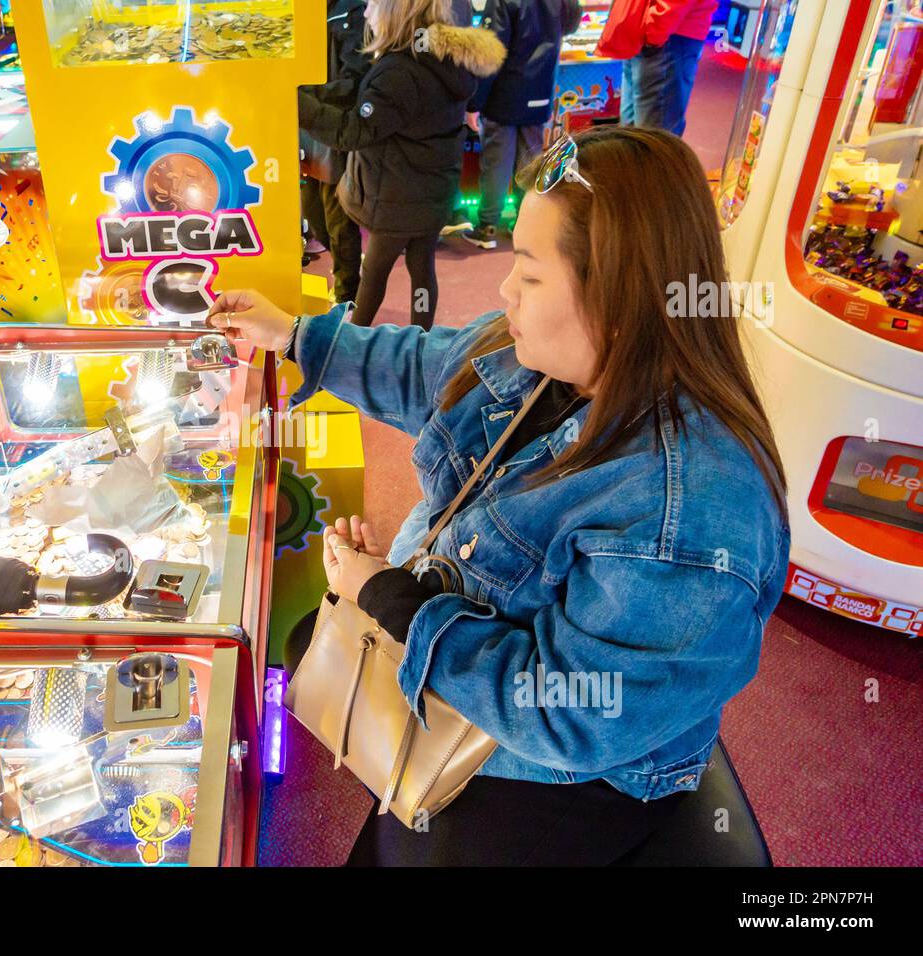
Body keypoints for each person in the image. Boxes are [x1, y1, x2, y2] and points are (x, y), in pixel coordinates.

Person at [206, 127, 790, 865]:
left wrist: (390, 600)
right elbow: (427, 369)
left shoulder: (692, 514)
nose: (504, 291)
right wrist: (294, 336)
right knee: (308, 654)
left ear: (616, 294)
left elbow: (566, 711)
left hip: (568, 773)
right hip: (464, 662)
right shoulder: (542, 356)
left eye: (529, 274)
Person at [300, 0, 505, 330]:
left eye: (373, 7)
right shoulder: (443, 57)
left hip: (398, 193)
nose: (366, 13)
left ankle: (353, 338)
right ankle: (421, 334)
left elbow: (353, 131)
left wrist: (299, 105)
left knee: (374, 273)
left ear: (395, 13)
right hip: (434, 186)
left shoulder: (399, 71)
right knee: (421, 266)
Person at [460, 0, 583, 249]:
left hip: (504, 92)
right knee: (532, 160)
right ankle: (526, 221)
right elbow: (572, 23)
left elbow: (491, 52)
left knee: (497, 162)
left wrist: (474, 102)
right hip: (541, 87)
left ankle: (488, 227)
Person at [299, 0, 369, 303]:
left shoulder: (352, 11)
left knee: (339, 224)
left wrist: (303, 93)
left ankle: (348, 297)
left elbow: (355, 80)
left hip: (334, 128)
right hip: (306, 128)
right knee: (316, 219)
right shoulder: (301, 11)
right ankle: (350, 287)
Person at [597, 0, 717, 137]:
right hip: (659, 31)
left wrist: (655, 32)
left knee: (648, 133)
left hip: (661, 31)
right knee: (649, 134)